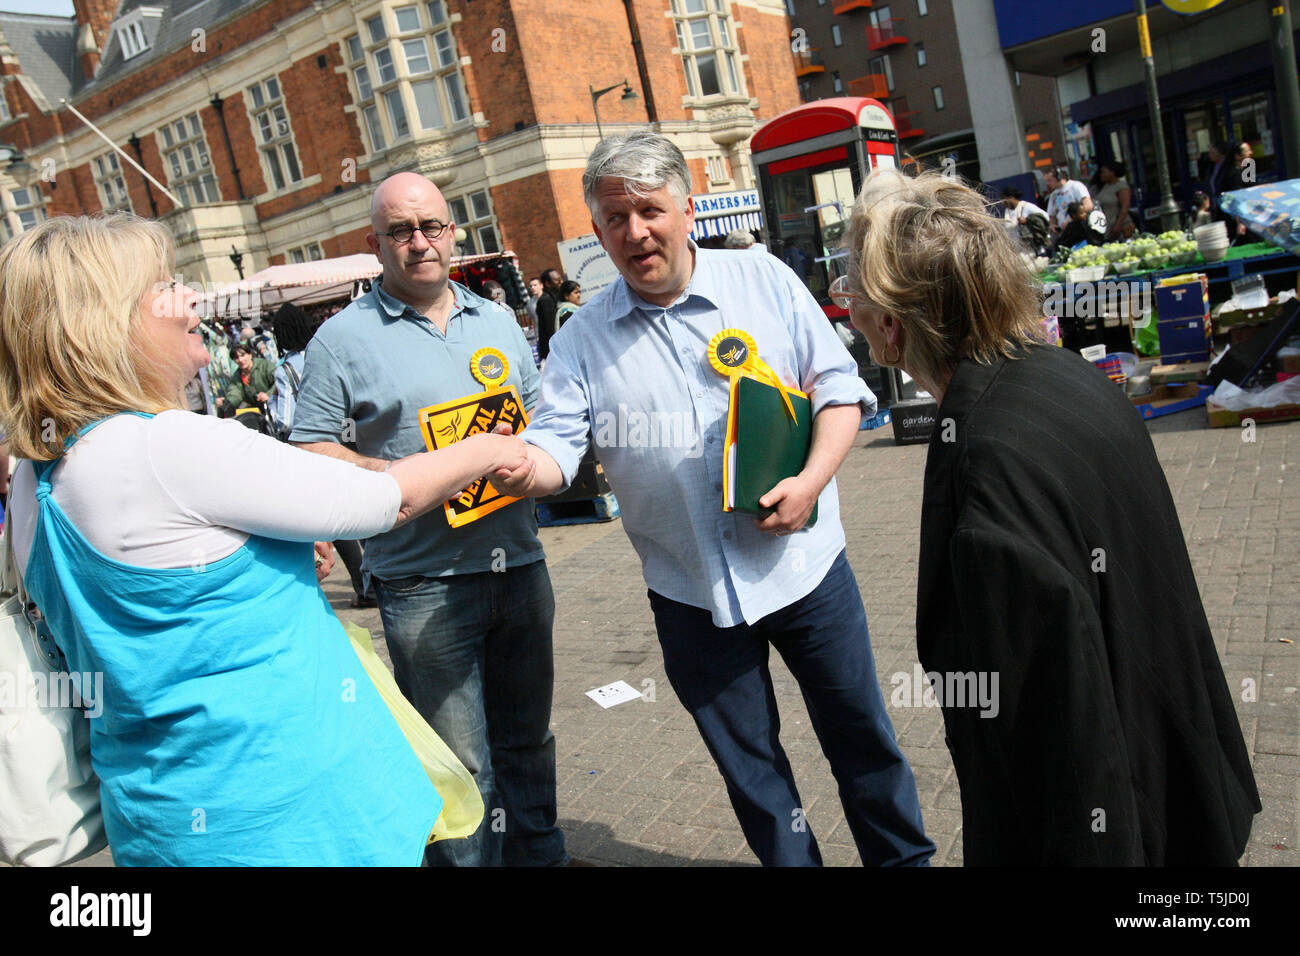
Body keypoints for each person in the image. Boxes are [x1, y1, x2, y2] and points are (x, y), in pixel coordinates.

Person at [0, 213, 529, 865]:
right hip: (291, 819)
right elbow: (388, 499)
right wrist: (489, 444)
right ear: (105, 322)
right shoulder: (166, 446)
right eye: (164, 287)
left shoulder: (34, 473)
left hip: (165, 824)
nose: (192, 298)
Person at [490, 130, 934, 867]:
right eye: (615, 220)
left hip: (806, 569)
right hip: (690, 594)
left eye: (650, 211)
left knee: (862, 738)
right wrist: (513, 466)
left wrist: (812, 481)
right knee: (753, 774)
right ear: (597, 231)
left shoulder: (762, 279)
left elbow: (841, 392)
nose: (635, 232)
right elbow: (554, 452)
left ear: (687, 209)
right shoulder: (579, 341)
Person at [839, 169, 1260, 865]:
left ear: (889, 326)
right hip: (1184, 785)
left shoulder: (984, 468)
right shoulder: (1062, 375)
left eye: (852, 289)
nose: (847, 306)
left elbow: (1057, 739)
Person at [290, 172, 567, 868]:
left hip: (520, 564)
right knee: (459, 763)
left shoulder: (498, 319)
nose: (419, 243)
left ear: (452, 231)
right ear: (375, 244)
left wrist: (529, 458)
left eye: (431, 227)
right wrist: (390, 479)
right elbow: (308, 449)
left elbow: (542, 425)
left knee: (529, 744)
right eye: (400, 232)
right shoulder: (341, 340)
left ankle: (542, 859)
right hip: (422, 582)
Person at [220, 342, 276, 415]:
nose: (240, 360)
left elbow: (280, 382)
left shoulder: (265, 365)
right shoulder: (237, 376)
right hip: (258, 413)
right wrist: (227, 403)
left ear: (250, 354)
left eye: (243, 355)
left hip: (275, 406)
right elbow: (234, 393)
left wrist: (269, 394)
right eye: (236, 358)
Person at [1000, 186, 1050, 255]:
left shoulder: (1026, 206)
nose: (1003, 203)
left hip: (1034, 250)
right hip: (1019, 251)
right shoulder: (1007, 211)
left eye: (1004, 200)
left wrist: (1027, 220)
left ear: (1011, 198)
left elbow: (1045, 217)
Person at [1043, 165, 1092, 234]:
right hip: (1065, 232)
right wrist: (1052, 225)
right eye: (1046, 181)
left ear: (1059, 177)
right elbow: (1052, 215)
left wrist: (1071, 220)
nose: (1048, 184)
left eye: (1050, 180)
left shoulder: (1075, 186)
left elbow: (1088, 205)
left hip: (1080, 228)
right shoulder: (1053, 195)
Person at [1095, 161, 1134, 240]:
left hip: (1121, 227)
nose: (1101, 175)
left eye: (1104, 172)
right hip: (1108, 228)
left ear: (1112, 173)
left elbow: (1124, 208)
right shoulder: (1106, 186)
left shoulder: (1121, 186)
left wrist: (1117, 226)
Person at [534, 268, 564, 363]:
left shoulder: (554, 298)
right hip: (553, 352)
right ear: (548, 283)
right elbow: (551, 329)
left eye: (561, 278)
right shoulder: (546, 301)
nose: (561, 282)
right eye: (557, 280)